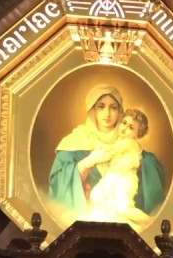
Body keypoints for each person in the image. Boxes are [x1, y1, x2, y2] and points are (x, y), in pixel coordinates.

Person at [47, 86, 165, 229]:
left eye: (113, 108)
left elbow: (153, 170)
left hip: (121, 216)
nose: (107, 114)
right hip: (85, 217)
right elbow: (57, 182)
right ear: (93, 110)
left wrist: (138, 164)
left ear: (120, 111)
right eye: (101, 107)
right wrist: (86, 163)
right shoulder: (75, 141)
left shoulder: (127, 140)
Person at [87, 109, 155, 227]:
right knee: (96, 196)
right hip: (114, 177)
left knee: (123, 209)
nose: (124, 128)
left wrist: (95, 144)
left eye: (131, 128)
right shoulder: (122, 140)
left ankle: (152, 222)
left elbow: (111, 151)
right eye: (124, 123)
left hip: (124, 180)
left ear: (137, 134)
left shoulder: (129, 143)